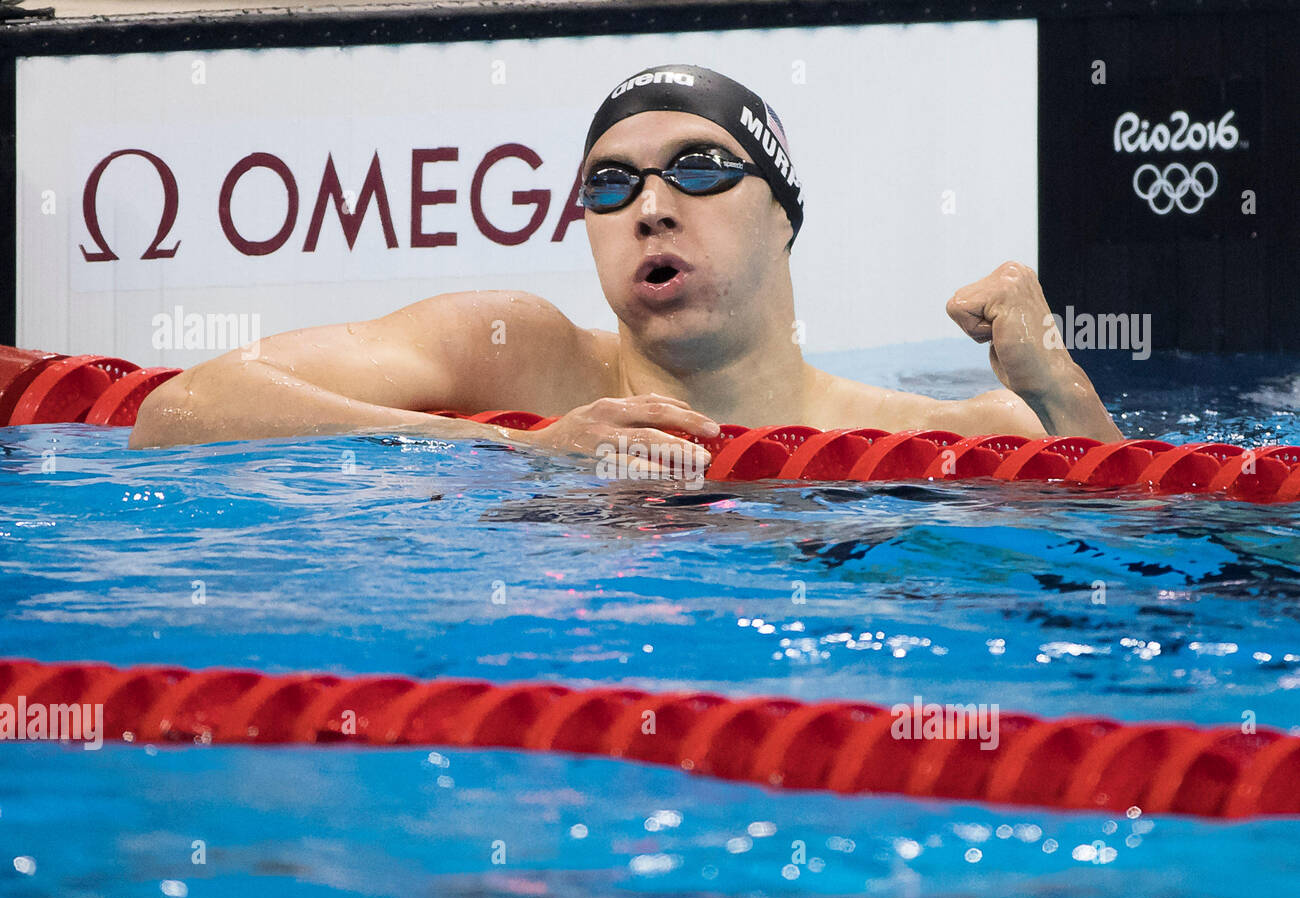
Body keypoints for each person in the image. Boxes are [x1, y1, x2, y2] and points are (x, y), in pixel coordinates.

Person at [130, 63, 1122, 475]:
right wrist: (519, 449)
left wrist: (1059, 388)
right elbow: (181, 410)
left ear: (783, 215)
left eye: (698, 167)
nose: (649, 207)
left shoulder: (940, 433)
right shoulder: (512, 358)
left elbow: (1134, 570)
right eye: (609, 185)